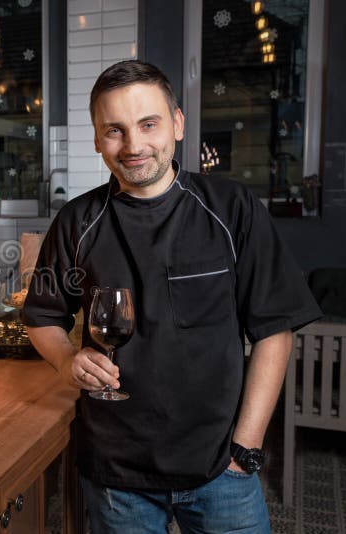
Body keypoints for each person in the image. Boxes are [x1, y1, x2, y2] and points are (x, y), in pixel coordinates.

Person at [22, 60, 322, 533]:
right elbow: (42, 317)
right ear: (97, 138)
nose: (133, 145)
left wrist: (245, 447)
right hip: (117, 473)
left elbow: (275, 330)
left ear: (177, 124)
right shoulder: (76, 222)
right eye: (114, 130)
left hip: (220, 467)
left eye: (148, 124)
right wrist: (65, 361)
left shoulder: (233, 209)